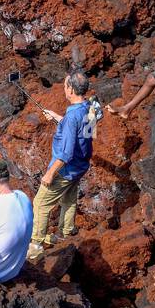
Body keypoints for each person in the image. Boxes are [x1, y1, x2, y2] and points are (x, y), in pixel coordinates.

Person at [28, 71, 99, 258]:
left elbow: (65, 153)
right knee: (68, 199)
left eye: (66, 85)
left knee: (40, 203)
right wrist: (59, 119)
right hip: (80, 166)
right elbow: (87, 133)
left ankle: (36, 246)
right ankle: (65, 233)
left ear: (72, 89)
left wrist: (50, 173)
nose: (64, 89)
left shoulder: (72, 118)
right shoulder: (88, 106)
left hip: (66, 168)